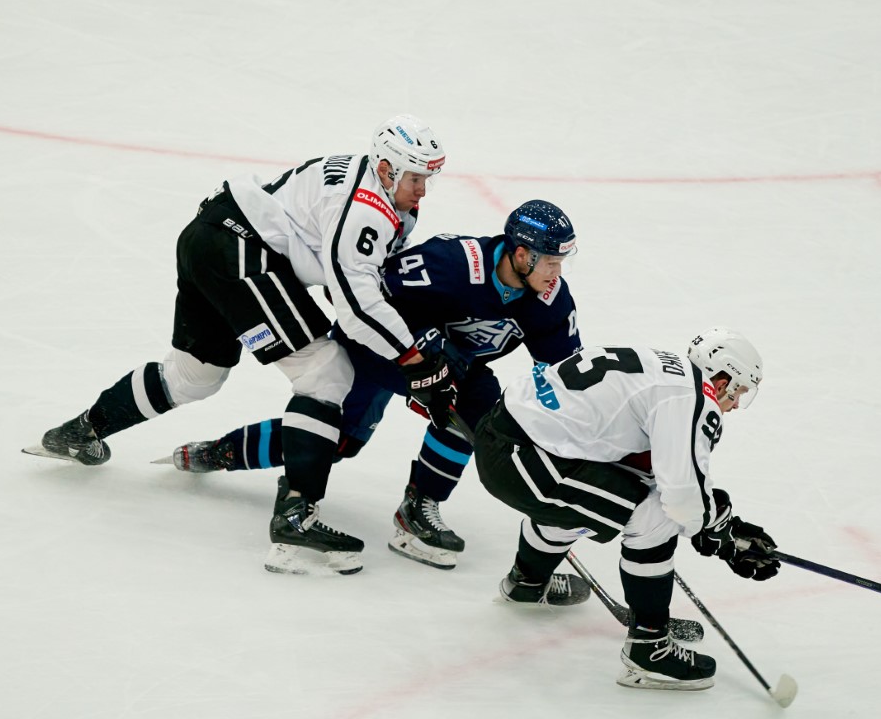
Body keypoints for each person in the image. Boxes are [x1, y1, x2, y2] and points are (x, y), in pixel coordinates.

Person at [26, 115, 453, 576]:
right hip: (242, 251)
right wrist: (414, 359)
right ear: (387, 168)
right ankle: (295, 515)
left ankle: (77, 432)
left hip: (208, 236)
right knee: (327, 373)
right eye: (416, 178)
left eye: (428, 178)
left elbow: (345, 281)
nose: (423, 189)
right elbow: (356, 302)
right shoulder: (368, 209)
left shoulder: (368, 183)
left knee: (193, 377)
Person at [167, 200, 582, 570]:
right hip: (375, 348)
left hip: (442, 368)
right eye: (550, 262)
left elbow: (565, 375)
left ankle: (418, 508)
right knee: (338, 437)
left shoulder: (550, 300)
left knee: (476, 408)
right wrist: (426, 350)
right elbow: (365, 294)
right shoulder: (453, 263)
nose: (556, 274)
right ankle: (223, 452)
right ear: (522, 255)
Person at [472, 328, 781, 691]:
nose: (736, 403)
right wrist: (720, 532)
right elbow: (680, 499)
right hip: (526, 460)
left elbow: (648, 471)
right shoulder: (693, 397)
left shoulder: (665, 369)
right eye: (740, 391)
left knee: (590, 502)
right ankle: (649, 650)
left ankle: (526, 583)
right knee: (655, 519)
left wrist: (719, 523)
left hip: (512, 441)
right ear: (724, 377)